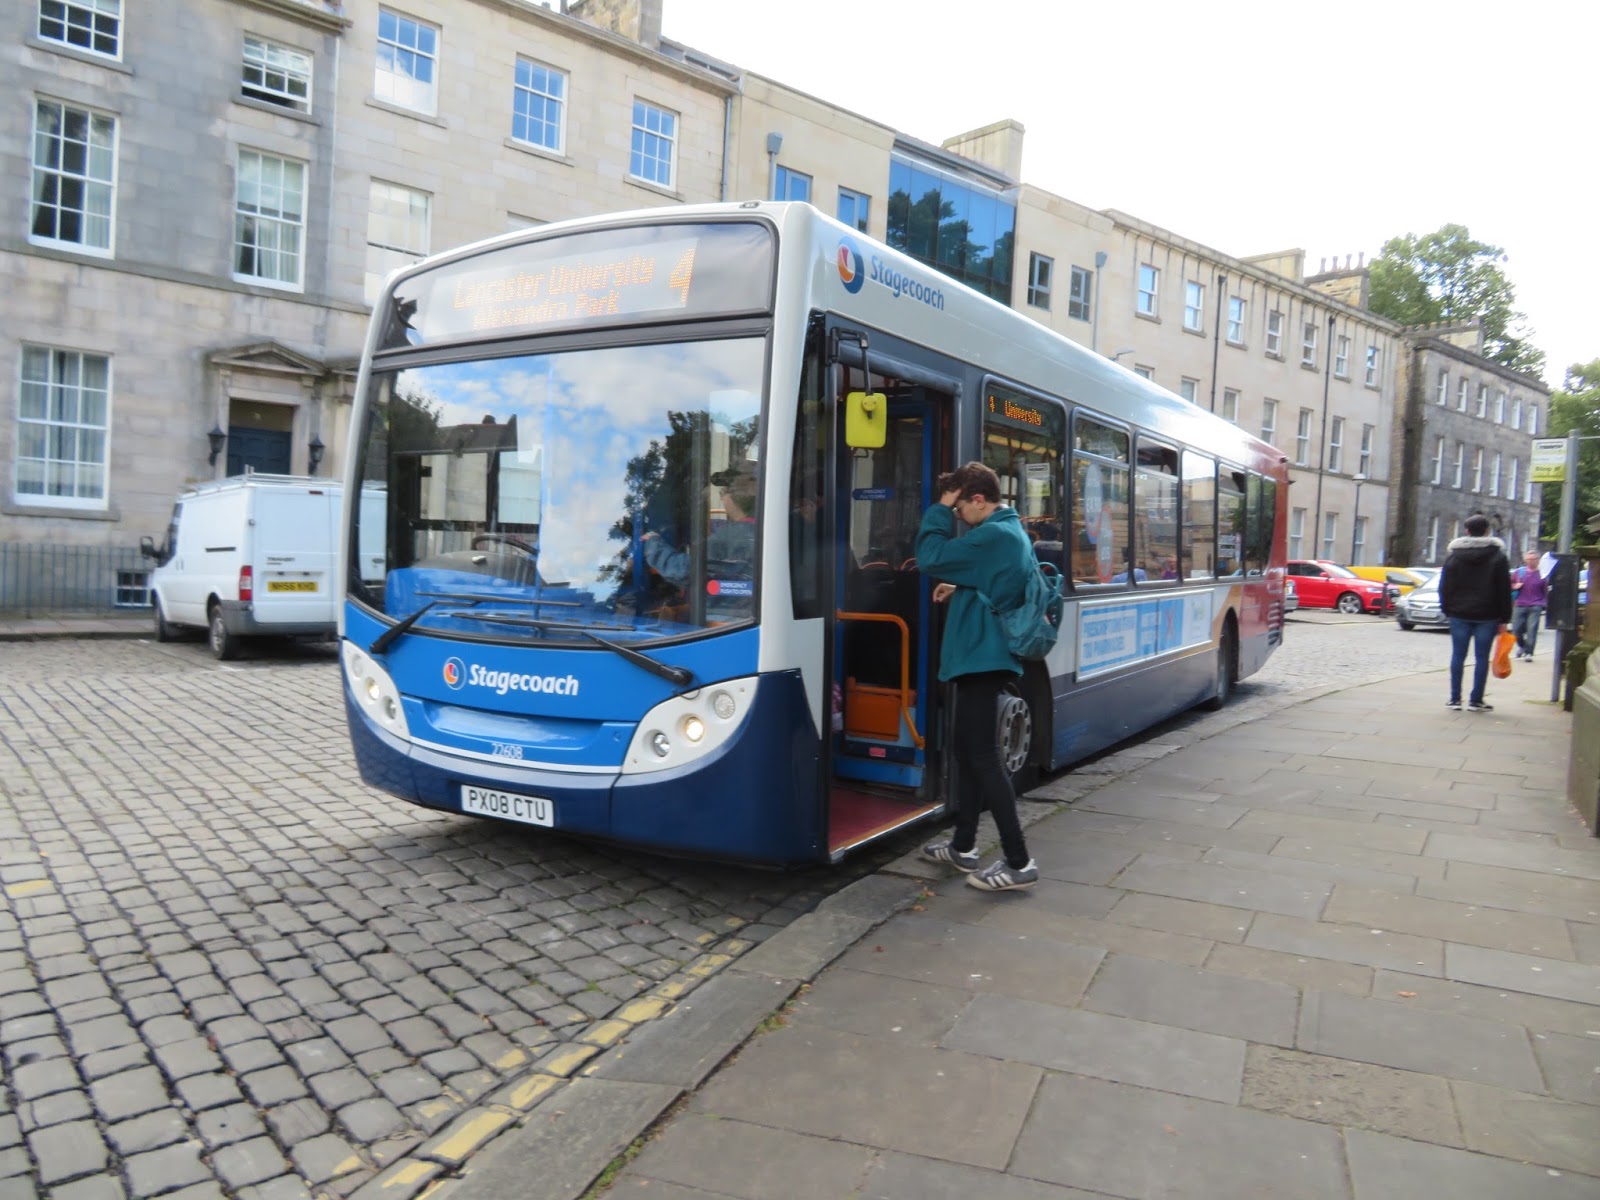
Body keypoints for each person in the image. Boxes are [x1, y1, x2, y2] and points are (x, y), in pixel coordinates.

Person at [913, 461, 1040, 892]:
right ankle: (963, 846)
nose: (959, 518)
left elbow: (930, 558)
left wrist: (938, 510)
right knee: (969, 752)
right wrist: (962, 587)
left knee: (983, 756)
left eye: (960, 508)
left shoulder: (995, 534)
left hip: (982, 657)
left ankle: (1019, 861)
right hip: (982, 655)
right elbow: (999, 580)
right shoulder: (1009, 531)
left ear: (978, 500)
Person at [1438, 513, 1512, 713]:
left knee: (1458, 656)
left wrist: (1446, 608)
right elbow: (1504, 589)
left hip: (1459, 614)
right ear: (1487, 530)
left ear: (1466, 531)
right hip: (1487, 615)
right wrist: (1505, 617)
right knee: (1482, 658)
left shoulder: (1453, 556)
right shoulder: (1498, 556)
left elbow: (1444, 586)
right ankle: (1476, 700)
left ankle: (1454, 699)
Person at [1510, 550, 1547, 659]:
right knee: (1516, 629)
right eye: (1528, 559)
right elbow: (1510, 583)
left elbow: (1546, 590)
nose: (1530, 562)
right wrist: (1515, 586)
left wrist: (1545, 603)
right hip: (1520, 603)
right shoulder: (1519, 572)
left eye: (1533, 559)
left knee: (1532, 628)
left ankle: (1529, 652)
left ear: (1538, 560)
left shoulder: (1542, 574)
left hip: (1536, 604)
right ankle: (1522, 646)